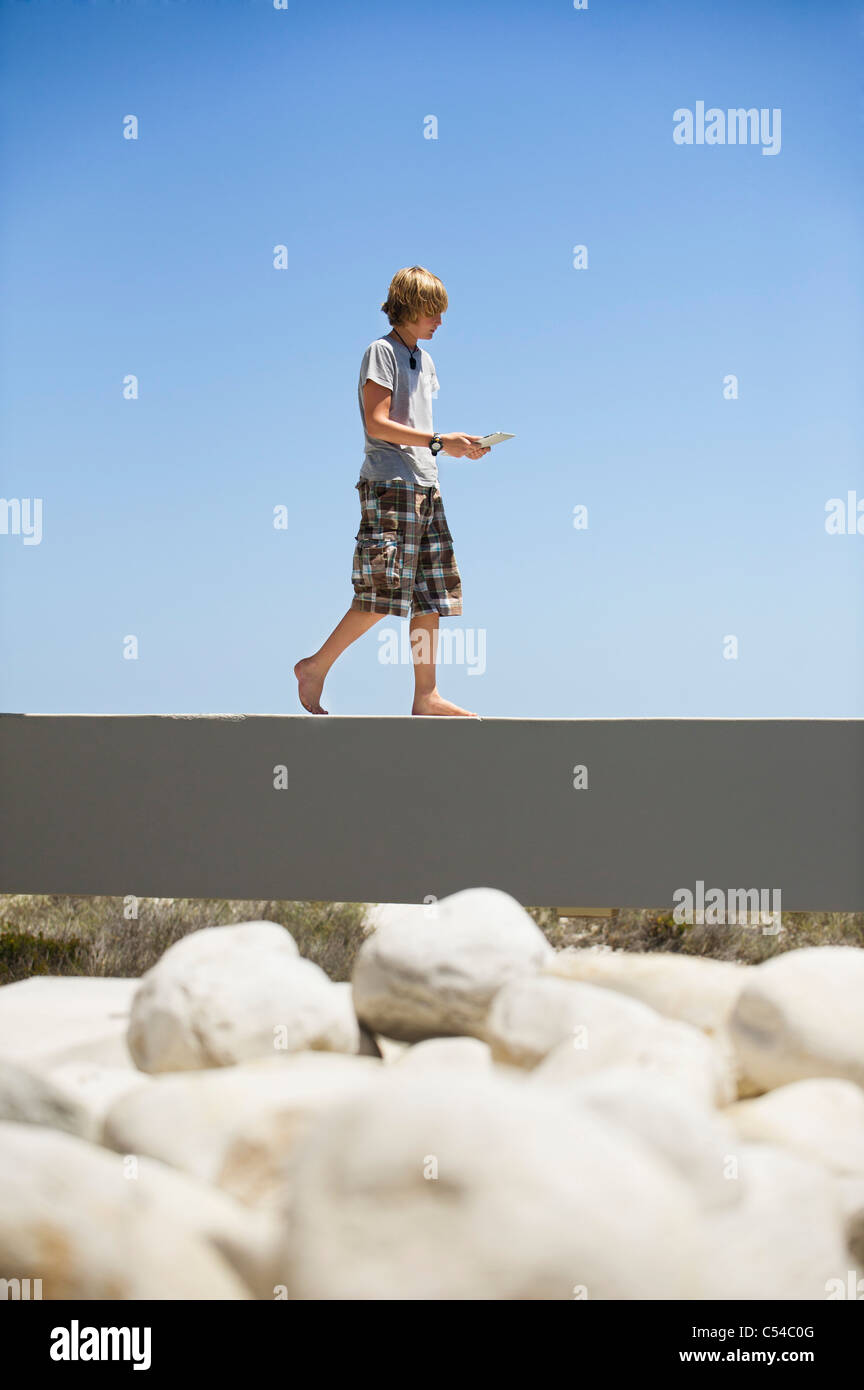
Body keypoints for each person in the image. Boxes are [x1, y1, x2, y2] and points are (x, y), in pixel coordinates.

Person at [294, 265, 489, 716]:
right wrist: (442, 442)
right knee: (382, 591)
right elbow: (377, 422)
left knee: (430, 594)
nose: (439, 322)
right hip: (391, 484)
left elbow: (414, 424)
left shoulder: (424, 358)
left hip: (425, 483)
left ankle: (426, 695)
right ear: (412, 308)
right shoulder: (380, 353)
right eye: (432, 313)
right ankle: (315, 667)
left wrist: (453, 449)